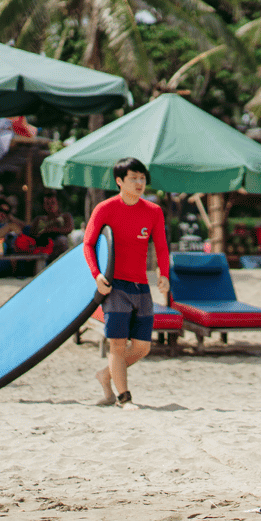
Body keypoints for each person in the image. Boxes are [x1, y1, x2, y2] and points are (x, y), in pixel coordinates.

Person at [83, 158, 170, 410]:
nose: (139, 183)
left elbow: (162, 247)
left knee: (143, 347)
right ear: (120, 181)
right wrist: (96, 275)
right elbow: (88, 244)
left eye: (142, 178)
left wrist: (164, 274)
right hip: (115, 286)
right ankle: (123, 398)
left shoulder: (154, 211)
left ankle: (106, 374)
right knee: (118, 344)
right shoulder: (105, 208)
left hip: (141, 285)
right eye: (133, 178)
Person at [26, 192, 75, 261]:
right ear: (43, 205)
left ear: (58, 203)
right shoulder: (39, 219)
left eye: (52, 203)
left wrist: (51, 229)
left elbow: (69, 229)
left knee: (61, 240)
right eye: (47, 203)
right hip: (43, 251)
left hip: (61, 253)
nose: (50, 206)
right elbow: (32, 234)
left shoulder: (65, 217)